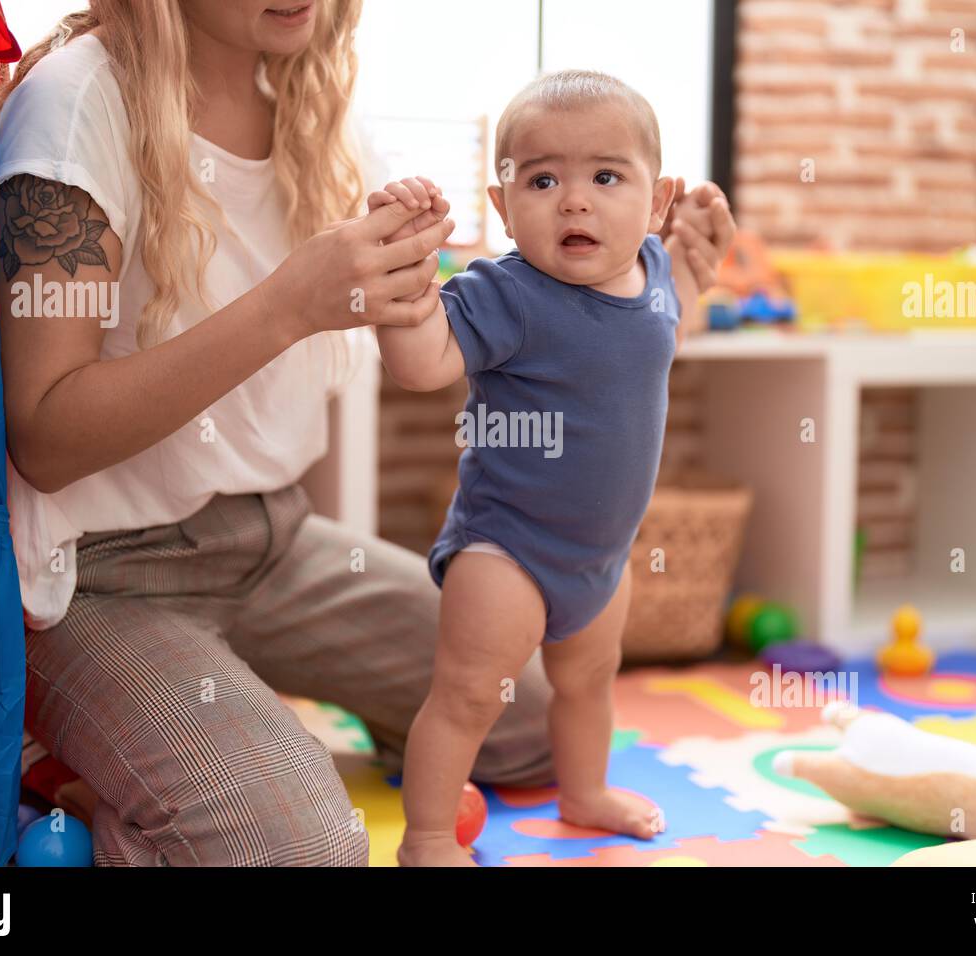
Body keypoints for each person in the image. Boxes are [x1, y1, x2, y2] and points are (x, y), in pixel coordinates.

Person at [0, 2, 726, 866]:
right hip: (98, 574)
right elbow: (41, 432)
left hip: (273, 538)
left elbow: (540, 308)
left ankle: (214, 737)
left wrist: (651, 273)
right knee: (306, 850)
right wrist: (287, 307)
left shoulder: (308, 108)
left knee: (522, 719)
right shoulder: (79, 103)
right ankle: (86, 769)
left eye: (607, 176)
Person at [369, 71, 735, 865]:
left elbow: (668, 333)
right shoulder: (508, 293)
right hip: (508, 548)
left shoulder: (656, 271)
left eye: (606, 176)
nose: (574, 201)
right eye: (542, 180)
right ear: (501, 207)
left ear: (657, 199)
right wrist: (399, 283)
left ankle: (584, 793)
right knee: (467, 696)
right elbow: (424, 363)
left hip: (603, 553)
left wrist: (702, 266)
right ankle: (427, 838)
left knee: (588, 683)